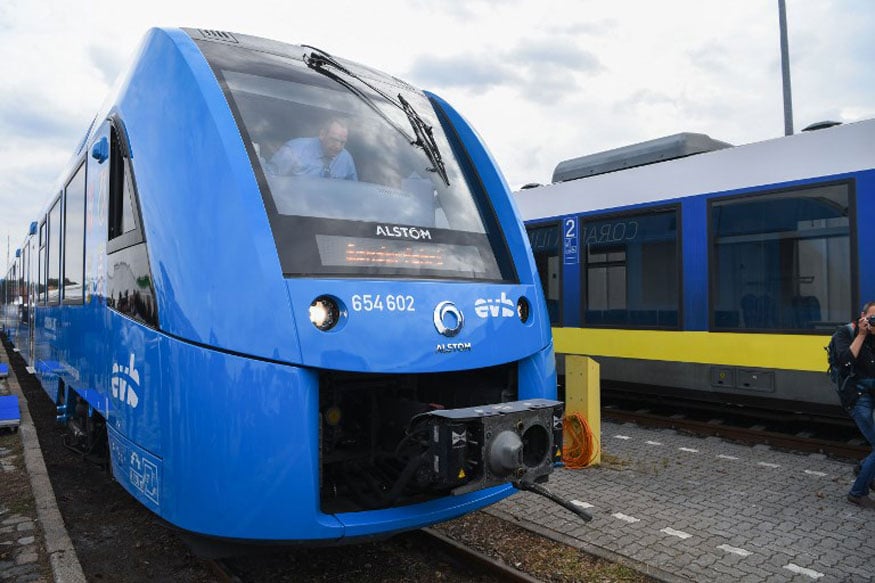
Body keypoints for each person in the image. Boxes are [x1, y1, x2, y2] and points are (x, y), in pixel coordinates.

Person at [834, 301, 875, 509]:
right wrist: (861, 334)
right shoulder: (845, 334)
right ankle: (857, 492)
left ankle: (864, 470)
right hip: (856, 398)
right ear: (862, 316)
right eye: (872, 318)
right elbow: (845, 362)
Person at [267, 118, 358, 180]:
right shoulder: (294, 151)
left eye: (342, 142)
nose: (338, 146)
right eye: (334, 140)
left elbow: (353, 192)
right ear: (322, 134)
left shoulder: (346, 159)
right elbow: (268, 181)